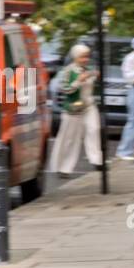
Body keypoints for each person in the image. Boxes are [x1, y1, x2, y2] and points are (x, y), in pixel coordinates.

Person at [48, 42, 102, 177]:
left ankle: (97, 160)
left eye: (87, 57)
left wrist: (95, 77)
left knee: (94, 130)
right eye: (82, 57)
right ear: (75, 57)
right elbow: (65, 89)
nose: (85, 59)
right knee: (70, 139)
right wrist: (78, 81)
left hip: (88, 106)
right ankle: (63, 168)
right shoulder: (68, 71)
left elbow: (93, 88)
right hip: (73, 110)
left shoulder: (87, 70)